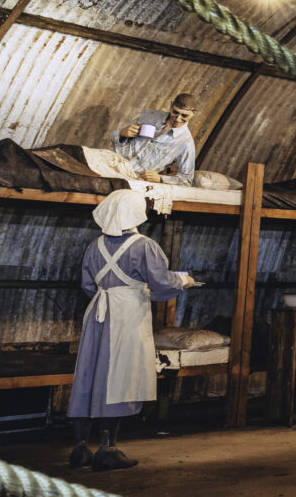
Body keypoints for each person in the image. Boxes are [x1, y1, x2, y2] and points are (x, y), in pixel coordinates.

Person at [68, 189, 196, 471]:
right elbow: (161, 282)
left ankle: (80, 449)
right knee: (119, 376)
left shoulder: (94, 246)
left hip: (97, 312)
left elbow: (88, 286)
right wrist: (183, 281)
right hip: (126, 315)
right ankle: (107, 449)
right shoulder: (144, 246)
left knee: (89, 373)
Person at [114, 93, 199, 185]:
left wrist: (160, 179)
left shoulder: (186, 143)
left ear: (193, 114)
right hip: (113, 159)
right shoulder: (150, 115)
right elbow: (114, 139)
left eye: (184, 116)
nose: (178, 119)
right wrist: (121, 133)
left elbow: (186, 180)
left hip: (132, 176)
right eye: (175, 112)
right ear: (171, 106)